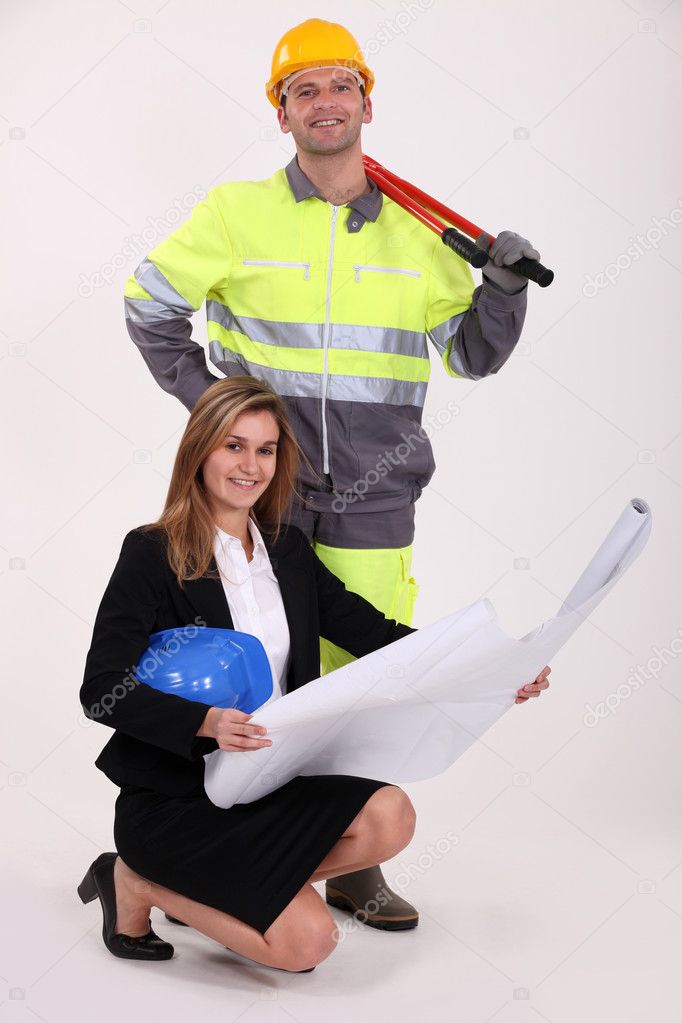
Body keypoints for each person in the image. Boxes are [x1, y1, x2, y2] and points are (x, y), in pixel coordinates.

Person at [123, 17, 543, 928]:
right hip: (256, 495)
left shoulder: (420, 233)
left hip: (376, 494)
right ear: (282, 115)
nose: (323, 103)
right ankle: (212, 843)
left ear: (365, 101)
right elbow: (148, 307)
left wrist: (501, 293)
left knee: (363, 674)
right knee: (251, 672)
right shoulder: (236, 214)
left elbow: (471, 355)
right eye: (301, 90)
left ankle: (348, 860)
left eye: (338, 86)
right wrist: (223, 414)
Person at [77, 375, 551, 970]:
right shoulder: (152, 552)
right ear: (200, 452)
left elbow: (378, 638)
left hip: (269, 783)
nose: (251, 465)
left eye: (266, 449)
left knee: (389, 816)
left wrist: (495, 671)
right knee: (307, 946)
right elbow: (101, 691)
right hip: (180, 797)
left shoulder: (288, 550)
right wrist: (205, 722)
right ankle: (136, 881)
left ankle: (207, 891)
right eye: (233, 445)